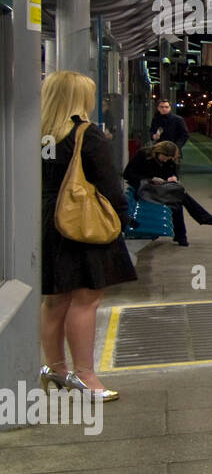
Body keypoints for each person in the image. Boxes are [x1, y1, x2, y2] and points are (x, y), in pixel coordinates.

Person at [39, 71, 136, 402]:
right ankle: (85, 377)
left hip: (47, 221)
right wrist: (122, 219)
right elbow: (109, 185)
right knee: (86, 299)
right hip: (80, 224)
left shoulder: (37, 135)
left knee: (54, 300)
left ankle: (54, 369)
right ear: (80, 98)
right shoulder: (86, 134)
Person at [123, 141, 212, 247]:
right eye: (165, 157)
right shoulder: (142, 155)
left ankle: (183, 234)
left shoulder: (169, 160)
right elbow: (127, 174)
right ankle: (186, 231)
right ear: (158, 152)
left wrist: (173, 178)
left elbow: (172, 172)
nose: (166, 160)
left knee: (177, 198)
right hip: (144, 188)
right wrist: (151, 179)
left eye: (169, 158)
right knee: (178, 197)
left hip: (160, 188)